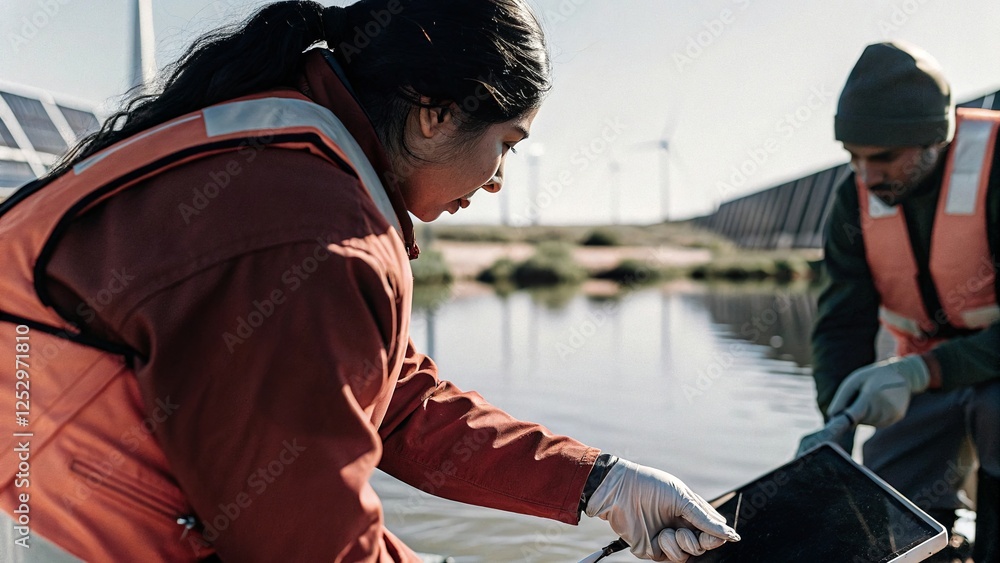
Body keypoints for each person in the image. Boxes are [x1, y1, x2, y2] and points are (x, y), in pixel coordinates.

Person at [0, 1, 739, 561]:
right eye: (506, 144)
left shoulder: (286, 156)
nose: (497, 181)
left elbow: (396, 402)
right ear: (434, 115)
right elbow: (300, 539)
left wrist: (602, 483)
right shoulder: (312, 229)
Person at [813, 40, 999, 562]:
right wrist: (835, 423)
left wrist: (922, 371)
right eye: (853, 157)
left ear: (934, 137)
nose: (866, 175)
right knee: (885, 491)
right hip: (922, 377)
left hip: (980, 368)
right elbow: (842, 323)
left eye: (883, 158)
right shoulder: (854, 199)